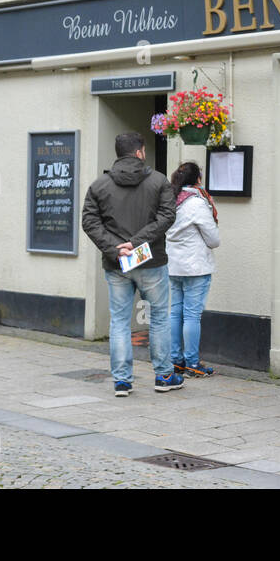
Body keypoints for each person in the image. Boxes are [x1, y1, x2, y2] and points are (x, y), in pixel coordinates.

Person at [81, 131, 180, 397]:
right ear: (139, 152)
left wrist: (117, 249)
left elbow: (89, 222)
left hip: (117, 265)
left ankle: (122, 381)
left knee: (120, 322)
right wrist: (137, 243)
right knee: (159, 318)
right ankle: (164, 376)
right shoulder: (159, 181)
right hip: (152, 262)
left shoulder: (99, 185)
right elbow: (167, 216)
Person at [166, 161, 220, 378]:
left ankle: (175, 360)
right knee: (191, 315)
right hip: (195, 267)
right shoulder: (197, 203)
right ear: (197, 179)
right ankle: (191, 362)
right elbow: (213, 239)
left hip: (173, 265)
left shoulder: (171, 200)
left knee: (175, 312)